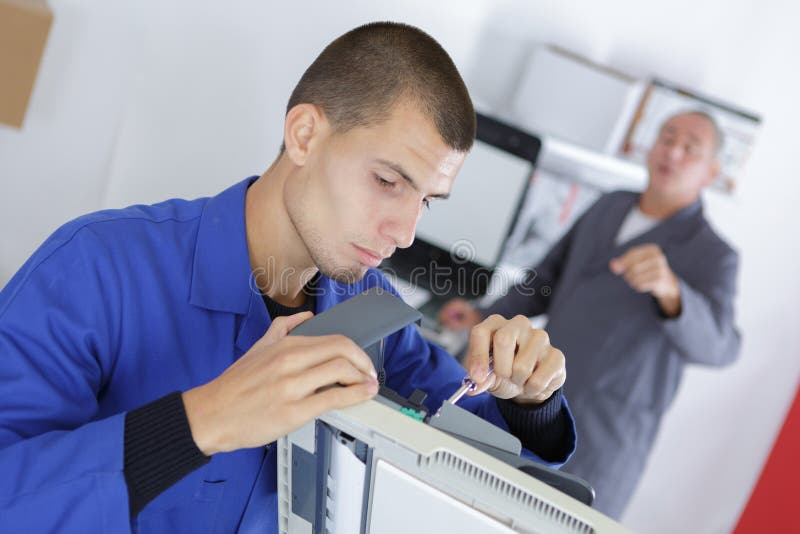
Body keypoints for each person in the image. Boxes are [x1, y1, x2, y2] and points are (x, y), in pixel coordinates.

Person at [0, 22, 576, 532]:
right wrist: (202, 420)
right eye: (387, 181)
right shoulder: (96, 268)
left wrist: (529, 400)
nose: (404, 232)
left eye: (428, 200)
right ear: (304, 134)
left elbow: (472, 460)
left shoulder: (376, 315)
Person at [440, 110, 741, 519]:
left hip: (605, 441)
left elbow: (722, 347)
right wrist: (483, 316)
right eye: (667, 137)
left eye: (691, 148)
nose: (672, 151)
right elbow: (544, 280)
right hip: (534, 403)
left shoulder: (713, 254)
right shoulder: (610, 205)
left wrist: (673, 292)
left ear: (712, 172)